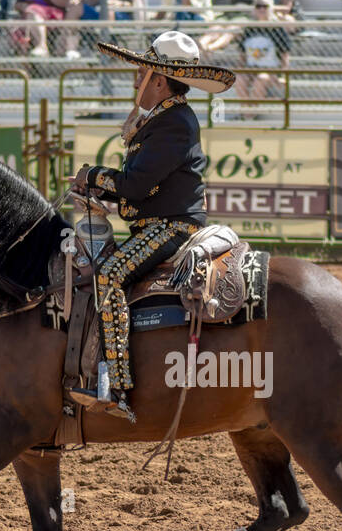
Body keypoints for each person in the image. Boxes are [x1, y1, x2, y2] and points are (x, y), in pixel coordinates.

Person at [68, 32, 236, 419]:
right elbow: (142, 187)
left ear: (158, 80)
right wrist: (103, 195)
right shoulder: (167, 119)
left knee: (108, 275)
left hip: (172, 227)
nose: (134, 79)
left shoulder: (174, 122)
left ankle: (116, 385)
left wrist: (91, 175)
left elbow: (136, 184)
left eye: (140, 71)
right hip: (159, 223)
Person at [200, 0, 290, 110]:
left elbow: (285, 55)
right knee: (240, 79)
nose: (262, 9)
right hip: (251, 68)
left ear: (271, 8)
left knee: (261, 80)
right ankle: (247, 111)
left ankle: (249, 114)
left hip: (271, 70)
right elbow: (243, 54)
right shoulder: (249, 28)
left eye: (265, 6)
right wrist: (241, 68)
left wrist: (283, 76)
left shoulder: (277, 29)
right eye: (258, 6)